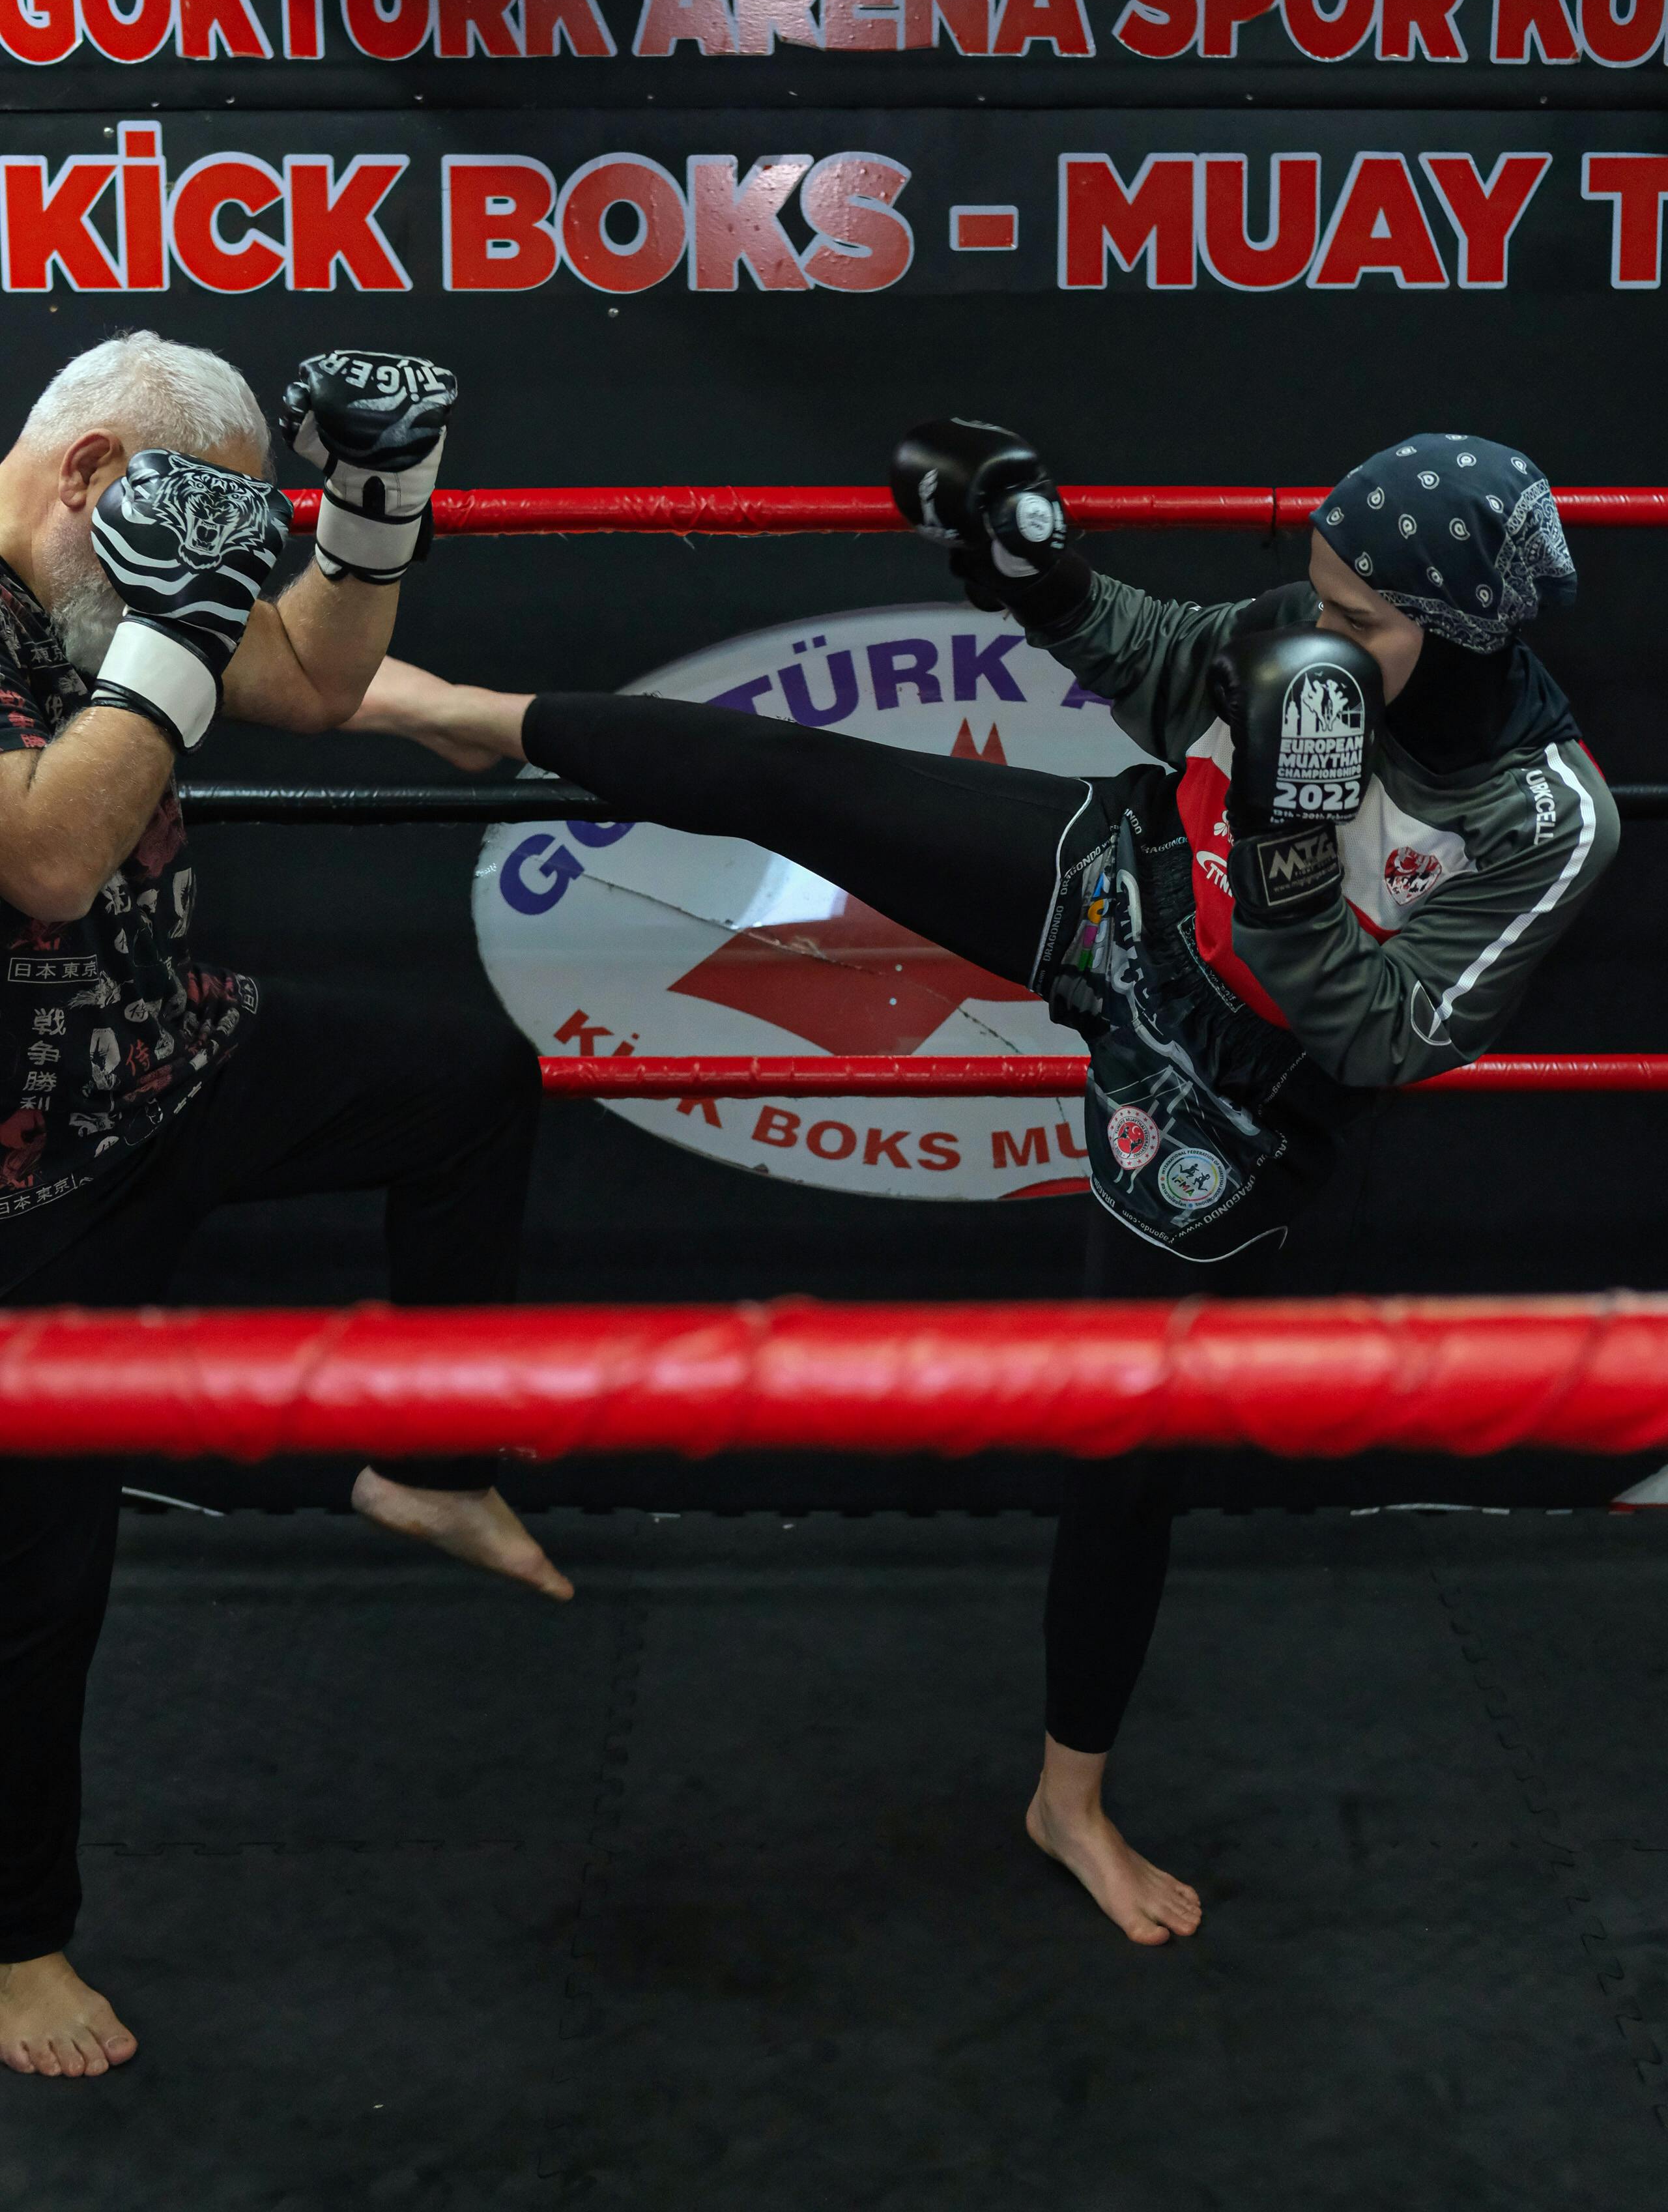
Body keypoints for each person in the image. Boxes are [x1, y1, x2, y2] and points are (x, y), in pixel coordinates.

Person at [346, 420, 1617, 1946]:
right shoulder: (1298, 638)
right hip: (1119, 895)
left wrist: (1282, 872)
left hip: (1232, 1103)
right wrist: (1046, 575)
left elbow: (1385, 1038)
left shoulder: (1543, 821)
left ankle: (1065, 1799)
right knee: (784, 776)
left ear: (1465, 631)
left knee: (1124, 1446)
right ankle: (459, 710)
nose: (1316, 635)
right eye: (1317, 597)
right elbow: (1168, 666)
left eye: (1359, 619)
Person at [0, 335, 569, 2084]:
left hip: (171, 1057)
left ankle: (430, 1460)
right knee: (37, 1589)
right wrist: (176, 630)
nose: (195, 586)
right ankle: (17, 1948)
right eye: (191, 539)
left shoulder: (99, 580)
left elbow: (315, 686)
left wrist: (374, 513)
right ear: (94, 475)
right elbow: (43, 858)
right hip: (24, 1178)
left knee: (468, 1084)